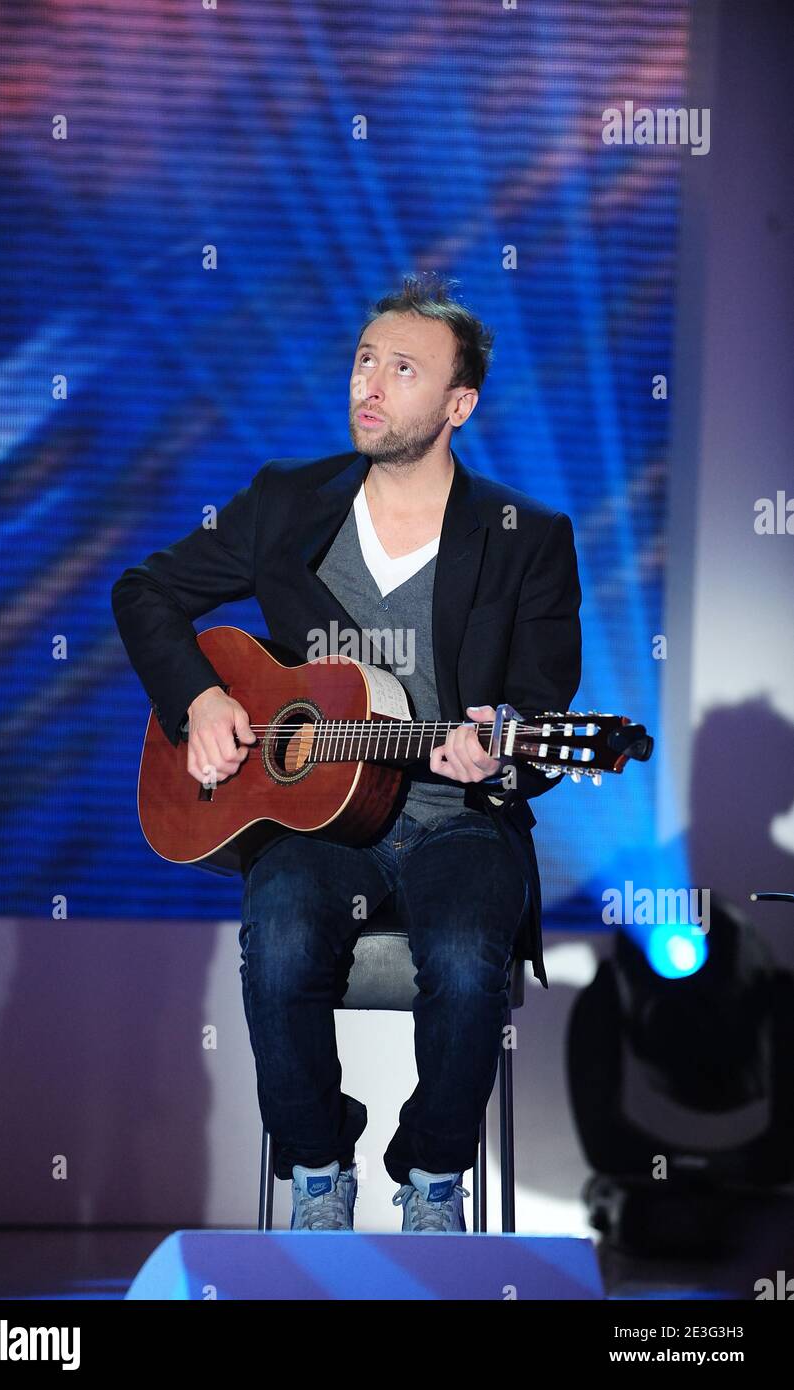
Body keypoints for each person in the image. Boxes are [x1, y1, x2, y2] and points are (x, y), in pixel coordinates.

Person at [112, 271, 582, 1233]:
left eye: (402, 369)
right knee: (279, 940)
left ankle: (432, 1178)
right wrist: (198, 696)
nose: (369, 383)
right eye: (365, 359)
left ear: (458, 405)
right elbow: (144, 592)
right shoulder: (288, 502)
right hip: (319, 821)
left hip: (461, 823)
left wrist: (501, 754)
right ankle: (320, 1166)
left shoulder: (524, 536)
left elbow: (538, 714)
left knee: (460, 958)